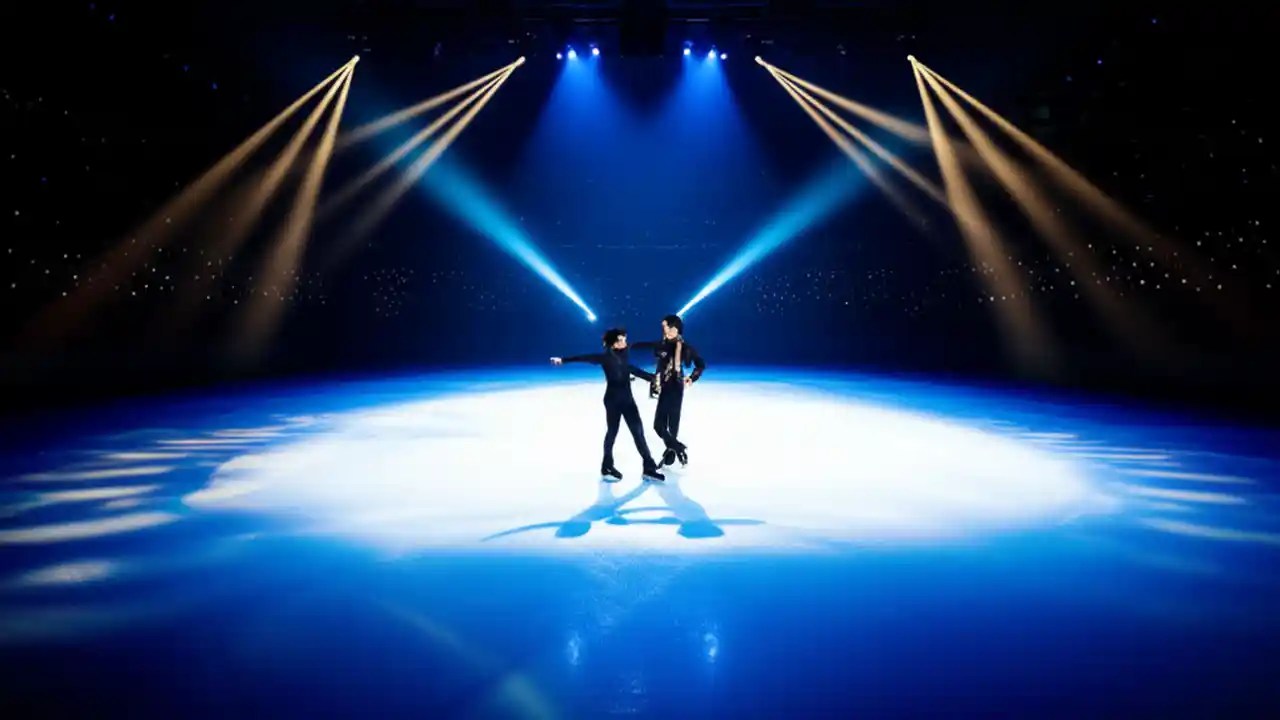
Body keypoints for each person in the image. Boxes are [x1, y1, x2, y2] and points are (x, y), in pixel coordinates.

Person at [551, 327, 666, 483]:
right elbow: (585, 357)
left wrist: (661, 350)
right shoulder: (605, 358)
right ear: (612, 344)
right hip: (612, 400)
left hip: (627, 400)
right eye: (620, 340)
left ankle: (649, 466)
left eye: (625, 339)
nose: (624, 342)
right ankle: (607, 466)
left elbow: (631, 367)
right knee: (612, 432)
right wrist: (563, 360)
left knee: (638, 432)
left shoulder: (625, 351)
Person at [633, 314, 705, 468]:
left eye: (668, 326)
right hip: (664, 386)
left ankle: (673, 450)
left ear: (676, 328)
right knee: (658, 425)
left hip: (676, 386)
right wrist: (627, 347)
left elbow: (700, 364)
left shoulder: (685, 347)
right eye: (664, 326)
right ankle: (677, 448)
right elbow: (644, 345)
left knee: (672, 423)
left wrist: (692, 378)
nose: (665, 329)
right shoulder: (661, 344)